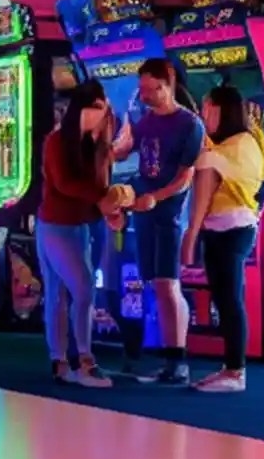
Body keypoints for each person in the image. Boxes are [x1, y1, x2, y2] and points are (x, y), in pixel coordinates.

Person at [113, 58, 206, 385]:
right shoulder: (144, 121)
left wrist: (158, 197)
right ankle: (170, 359)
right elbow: (124, 150)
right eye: (142, 90)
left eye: (152, 89)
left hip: (169, 213)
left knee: (168, 284)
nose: (146, 95)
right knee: (154, 283)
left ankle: (178, 359)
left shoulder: (189, 124)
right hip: (143, 208)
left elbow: (185, 177)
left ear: (168, 86)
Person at [38, 80, 121, 388]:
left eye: (104, 109)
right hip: (56, 225)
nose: (102, 114)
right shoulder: (57, 141)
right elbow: (64, 184)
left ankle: (65, 360)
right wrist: (102, 201)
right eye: (97, 108)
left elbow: (101, 185)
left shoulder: (94, 145)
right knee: (78, 289)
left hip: (82, 226)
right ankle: (79, 359)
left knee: (70, 291)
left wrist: (103, 145)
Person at [184, 85, 264, 392]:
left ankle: (236, 371)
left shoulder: (238, 145)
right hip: (224, 228)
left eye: (208, 109)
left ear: (223, 110)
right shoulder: (242, 141)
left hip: (232, 228)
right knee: (224, 298)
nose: (204, 116)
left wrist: (190, 236)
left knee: (230, 299)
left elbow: (205, 170)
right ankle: (230, 368)